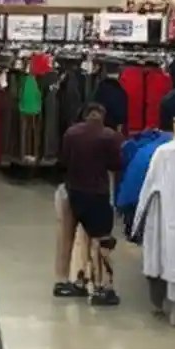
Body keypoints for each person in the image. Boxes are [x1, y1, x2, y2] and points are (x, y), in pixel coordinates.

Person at [57, 102, 123, 306]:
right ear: (101, 116)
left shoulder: (71, 133)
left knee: (75, 239)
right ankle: (103, 288)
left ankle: (71, 281)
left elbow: (63, 161)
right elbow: (115, 164)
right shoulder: (109, 136)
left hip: (74, 192)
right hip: (97, 194)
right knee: (103, 241)